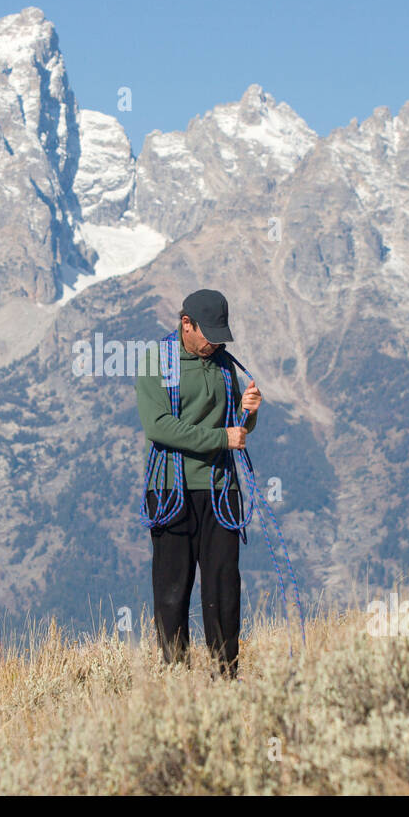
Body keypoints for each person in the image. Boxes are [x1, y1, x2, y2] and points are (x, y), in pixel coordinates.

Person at [135, 289, 261, 678]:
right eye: (209, 333)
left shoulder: (224, 364)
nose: (216, 341)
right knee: (173, 586)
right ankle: (176, 671)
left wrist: (248, 414)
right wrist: (222, 439)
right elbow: (159, 427)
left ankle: (226, 672)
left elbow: (235, 429)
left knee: (224, 582)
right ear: (185, 324)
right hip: (171, 488)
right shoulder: (157, 361)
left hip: (221, 488)